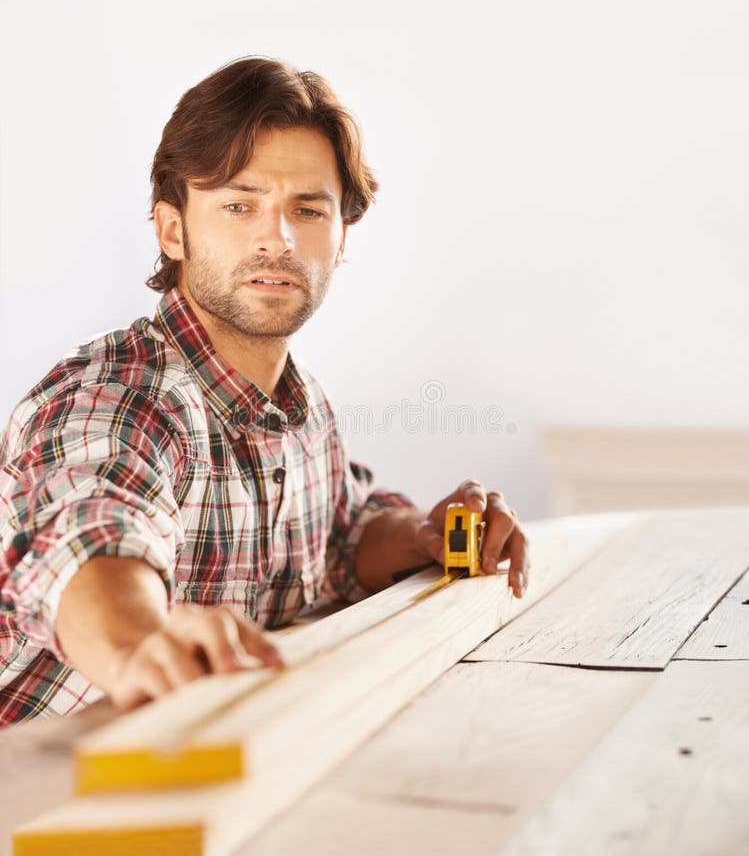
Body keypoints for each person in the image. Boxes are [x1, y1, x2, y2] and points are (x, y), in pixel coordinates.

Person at [0, 56, 529, 725]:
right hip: (42, 776)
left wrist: (423, 534)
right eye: (239, 205)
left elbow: (338, 543)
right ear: (173, 230)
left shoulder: (302, 407)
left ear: (340, 238)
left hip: (220, 763)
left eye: (307, 209)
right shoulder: (117, 398)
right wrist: (135, 646)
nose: (276, 239)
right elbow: (87, 534)